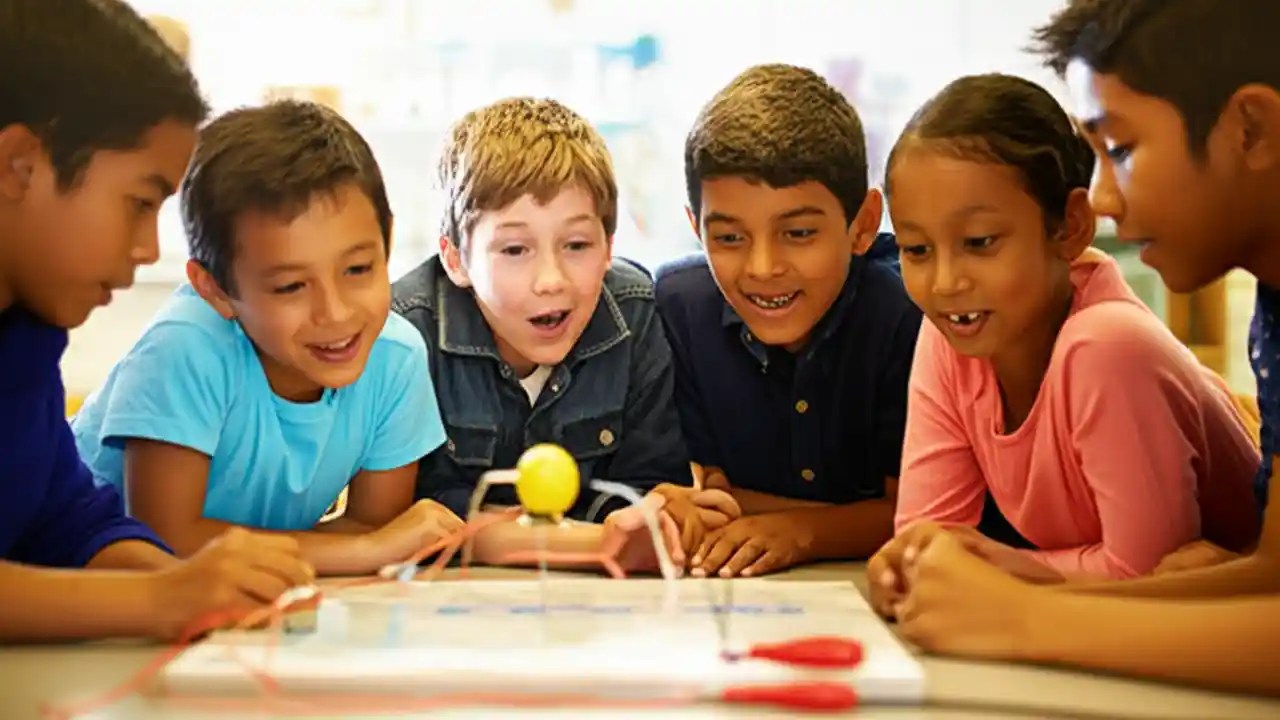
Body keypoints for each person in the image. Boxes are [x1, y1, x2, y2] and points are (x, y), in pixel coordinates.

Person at [887, 0, 1280, 697]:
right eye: (917, 249)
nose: (1103, 197)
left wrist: (1020, 613)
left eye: (1120, 150)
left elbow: (1172, 570)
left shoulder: (1107, 342)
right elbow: (1269, 572)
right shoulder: (1273, 314)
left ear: (1252, 128)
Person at [868, 73, 1259, 597]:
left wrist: (990, 569)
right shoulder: (955, 332)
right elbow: (926, 541)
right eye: (917, 250)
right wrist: (907, 569)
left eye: (980, 242)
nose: (944, 282)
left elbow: (1147, 575)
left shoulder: (1107, 346)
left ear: (1071, 226)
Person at [0, 0, 312, 641]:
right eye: (139, 203)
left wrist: (205, 591)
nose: (147, 248)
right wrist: (160, 599)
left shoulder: (27, 336)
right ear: (20, 166)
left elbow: (67, 523)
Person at [72, 100, 456, 576]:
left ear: (388, 240)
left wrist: (370, 545)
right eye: (290, 287)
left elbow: (374, 525)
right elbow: (165, 540)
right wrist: (366, 551)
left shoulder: (395, 356)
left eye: (358, 269)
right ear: (214, 288)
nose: (335, 314)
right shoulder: (187, 347)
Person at [393, 97, 736, 573]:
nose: (551, 279)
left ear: (609, 247)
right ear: (455, 258)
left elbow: (645, 487)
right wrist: (598, 544)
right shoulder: (409, 335)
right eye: (515, 250)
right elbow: (417, 520)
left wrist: (661, 512)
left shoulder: (633, 315)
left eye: (576, 245)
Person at [654, 64, 921, 578]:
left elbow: (921, 514)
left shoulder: (906, 316)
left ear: (863, 225)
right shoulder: (675, 307)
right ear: (695, 227)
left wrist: (804, 532)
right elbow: (704, 495)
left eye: (798, 233)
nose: (762, 269)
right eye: (729, 238)